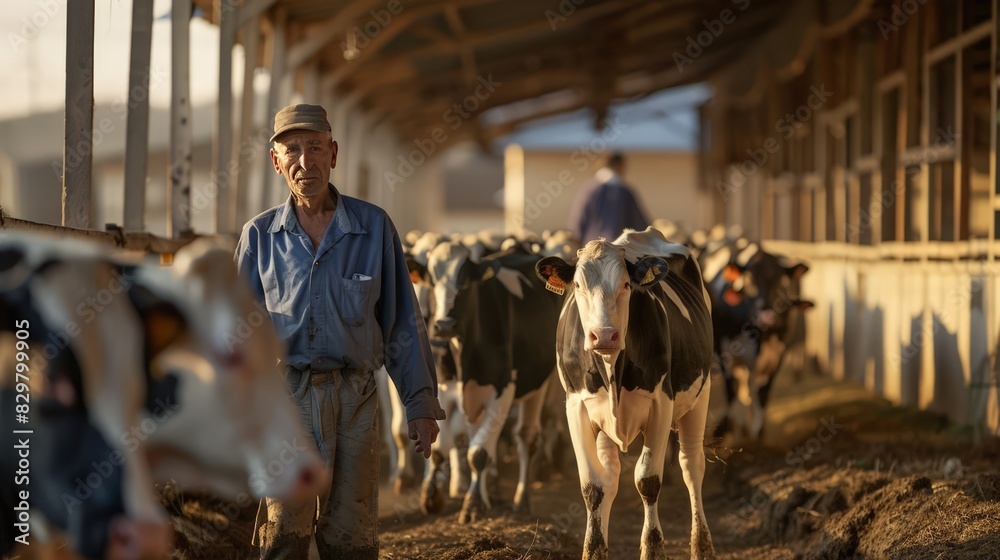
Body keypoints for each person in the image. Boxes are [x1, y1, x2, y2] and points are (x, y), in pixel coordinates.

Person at [235, 104, 445, 560]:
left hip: (357, 401)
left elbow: (402, 324)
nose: (304, 161)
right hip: (287, 398)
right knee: (283, 537)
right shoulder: (258, 238)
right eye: (291, 150)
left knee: (352, 539)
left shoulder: (373, 229)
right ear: (276, 162)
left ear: (333, 154)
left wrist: (420, 404)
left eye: (314, 148)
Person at [567, 151, 649, 243]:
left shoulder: (589, 189)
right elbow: (640, 227)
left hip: (591, 249)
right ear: (618, 165)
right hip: (618, 250)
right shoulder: (625, 192)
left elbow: (578, 223)